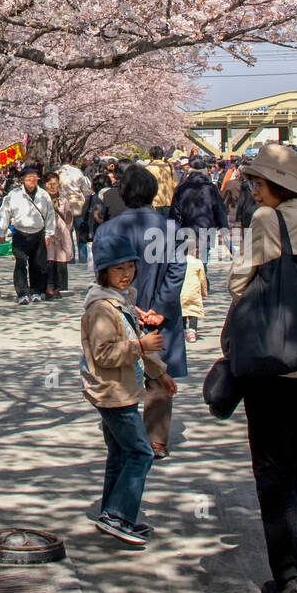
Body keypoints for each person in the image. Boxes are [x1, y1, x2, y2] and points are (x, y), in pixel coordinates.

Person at [230, 144, 297, 593]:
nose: (253, 191)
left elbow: (239, 282)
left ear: (278, 185)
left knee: (275, 471)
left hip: (272, 365)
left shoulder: (265, 223)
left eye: (257, 184)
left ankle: (289, 579)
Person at [80, 231, 175, 547]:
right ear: (103, 272)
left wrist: (160, 374)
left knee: (120, 454)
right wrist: (139, 344)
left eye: (130, 267)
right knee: (140, 452)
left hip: (123, 389)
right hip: (112, 393)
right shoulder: (101, 308)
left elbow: (140, 351)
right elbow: (105, 353)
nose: (126, 274)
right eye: (118, 269)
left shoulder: (122, 303)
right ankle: (118, 514)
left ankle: (112, 514)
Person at [93, 165, 187, 458]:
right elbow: (177, 270)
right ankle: (156, 440)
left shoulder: (108, 229)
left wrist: (129, 308)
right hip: (160, 314)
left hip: (120, 312)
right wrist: (159, 308)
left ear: (122, 193)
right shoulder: (170, 229)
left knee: (121, 373)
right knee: (159, 377)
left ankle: (125, 436)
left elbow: (101, 274)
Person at [0, 164, 55, 304]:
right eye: (29, 177)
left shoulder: (43, 195)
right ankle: (22, 292)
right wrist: (1, 231)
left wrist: (48, 234)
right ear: (22, 179)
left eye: (34, 177)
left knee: (38, 265)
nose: (32, 180)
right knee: (20, 263)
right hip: (20, 233)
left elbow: (50, 215)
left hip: (38, 233)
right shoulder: (14, 195)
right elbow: (5, 213)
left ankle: (36, 291)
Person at [169, 155, 228, 269]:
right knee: (202, 264)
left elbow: (175, 213)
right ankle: (203, 284)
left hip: (186, 230)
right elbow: (219, 210)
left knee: (189, 266)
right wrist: (223, 227)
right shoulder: (211, 188)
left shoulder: (181, 189)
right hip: (206, 229)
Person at [43, 169, 74, 298]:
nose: (52, 186)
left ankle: (58, 287)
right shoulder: (41, 199)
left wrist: (66, 230)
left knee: (60, 261)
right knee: (48, 261)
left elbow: (69, 217)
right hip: (47, 234)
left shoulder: (63, 200)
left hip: (61, 235)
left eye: (55, 183)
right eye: (49, 183)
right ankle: (48, 287)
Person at [180, 252, 208, 343]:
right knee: (193, 311)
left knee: (182, 311)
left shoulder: (179, 261)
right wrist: (204, 292)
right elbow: (202, 279)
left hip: (181, 291)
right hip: (194, 291)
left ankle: (183, 330)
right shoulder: (197, 262)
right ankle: (192, 332)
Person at [146, 147, 176, 217]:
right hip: (169, 202)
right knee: (169, 226)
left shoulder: (147, 168)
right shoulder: (170, 167)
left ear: (151, 156)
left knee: (156, 226)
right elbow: (175, 184)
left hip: (154, 204)